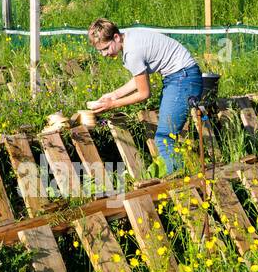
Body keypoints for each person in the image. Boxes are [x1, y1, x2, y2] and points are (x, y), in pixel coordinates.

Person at [85, 18, 202, 175]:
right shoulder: (131, 38)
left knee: (164, 138)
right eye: (100, 51)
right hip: (181, 76)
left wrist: (111, 105)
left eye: (106, 48)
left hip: (182, 79)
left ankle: (179, 181)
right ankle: (182, 174)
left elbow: (144, 93)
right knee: (168, 135)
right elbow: (139, 79)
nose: (104, 54)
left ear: (116, 37)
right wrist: (113, 95)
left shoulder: (132, 52)